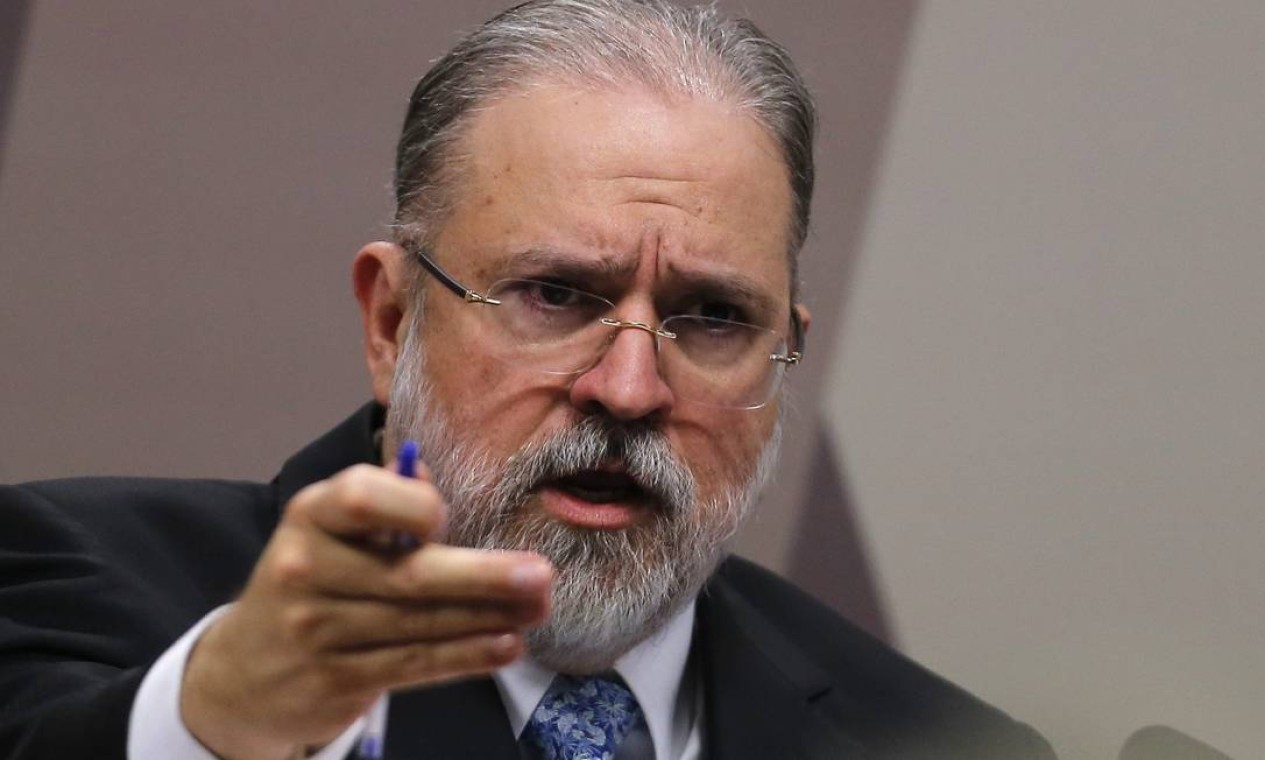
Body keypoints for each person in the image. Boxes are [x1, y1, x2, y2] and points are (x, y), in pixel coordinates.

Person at [0, 1, 1055, 758]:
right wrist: (221, 723)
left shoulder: (934, 741)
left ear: (785, 353)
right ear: (391, 320)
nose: (629, 389)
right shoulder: (76, 581)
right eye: (555, 294)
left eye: (712, 318)